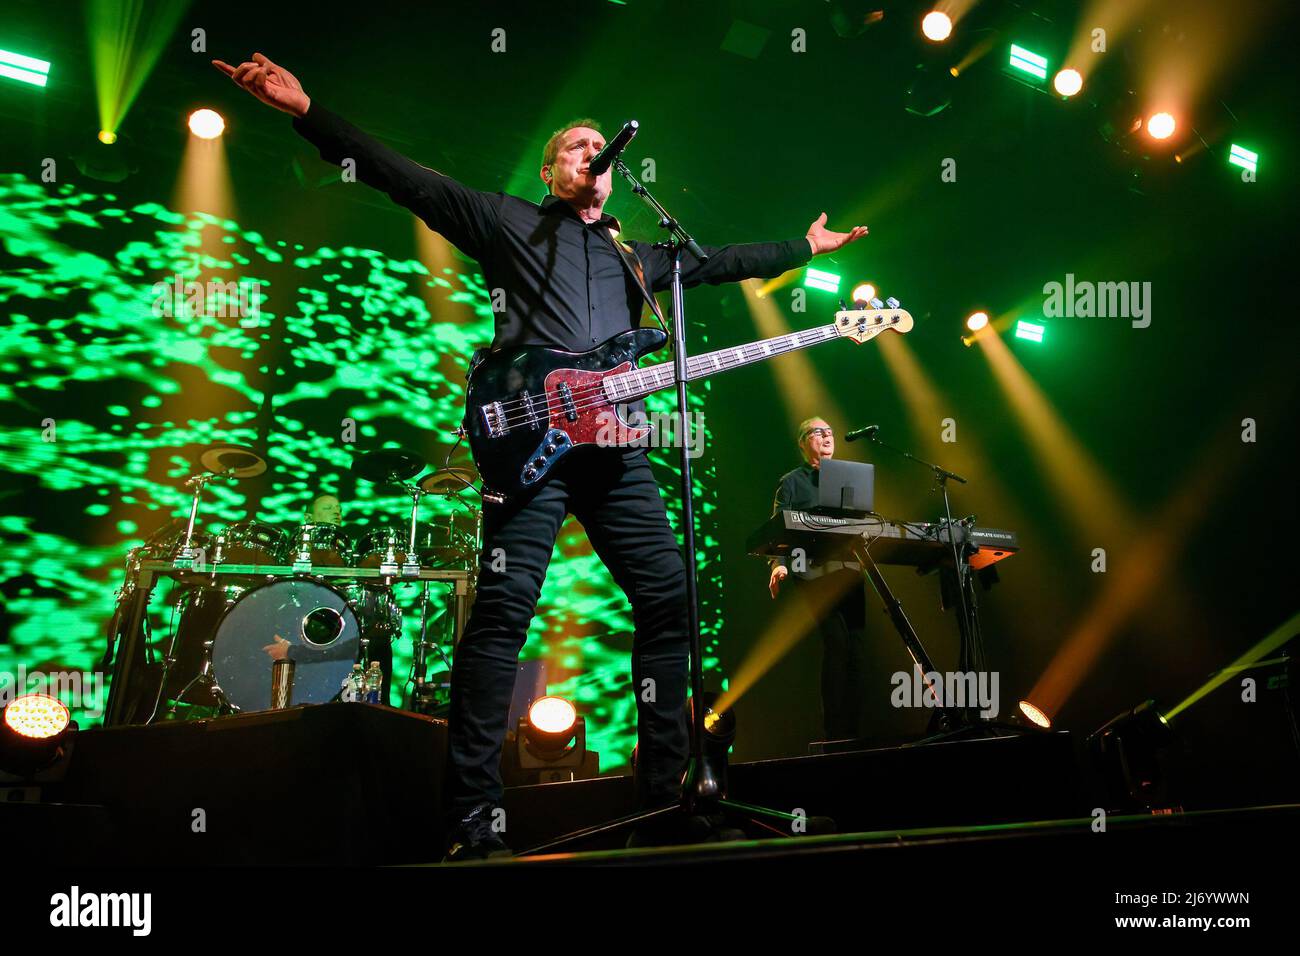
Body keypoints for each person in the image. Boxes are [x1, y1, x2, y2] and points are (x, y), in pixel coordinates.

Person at [214, 53, 868, 859]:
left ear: (615, 175)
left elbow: (723, 262)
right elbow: (404, 177)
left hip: (612, 448)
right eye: (575, 147)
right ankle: (472, 823)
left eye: (600, 147)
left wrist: (801, 249)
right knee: (502, 620)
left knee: (671, 598)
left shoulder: (639, 257)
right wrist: (307, 109)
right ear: (553, 170)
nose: (590, 153)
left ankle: (665, 800)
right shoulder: (506, 221)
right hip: (529, 440)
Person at [768, 417, 872, 741]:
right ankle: (834, 735)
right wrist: (777, 564)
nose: (827, 436)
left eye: (830, 432)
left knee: (855, 649)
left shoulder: (849, 478)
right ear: (803, 442)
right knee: (837, 644)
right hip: (811, 572)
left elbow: (862, 522)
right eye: (818, 432)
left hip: (849, 572)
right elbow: (776, 529)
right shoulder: (791, 483)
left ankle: (853, 734)